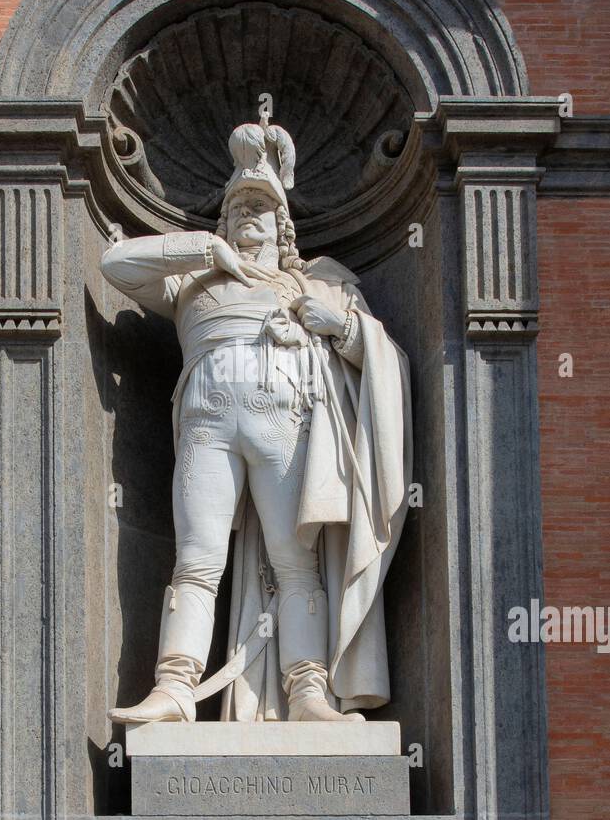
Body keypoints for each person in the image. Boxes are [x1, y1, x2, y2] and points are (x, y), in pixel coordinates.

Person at [101, 115, 412, 723]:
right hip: (205, 430)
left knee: (296, 563)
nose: (249, 214)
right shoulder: (192, 279)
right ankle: (175, 688)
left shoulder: (314, 282)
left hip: (285, 427)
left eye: (261, 208)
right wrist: (201, 246)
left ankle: (306, 693)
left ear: (281, 224)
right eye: (239, 205)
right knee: (195, 559)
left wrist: (340, 328)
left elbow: (384, 361)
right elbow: (116, 264)